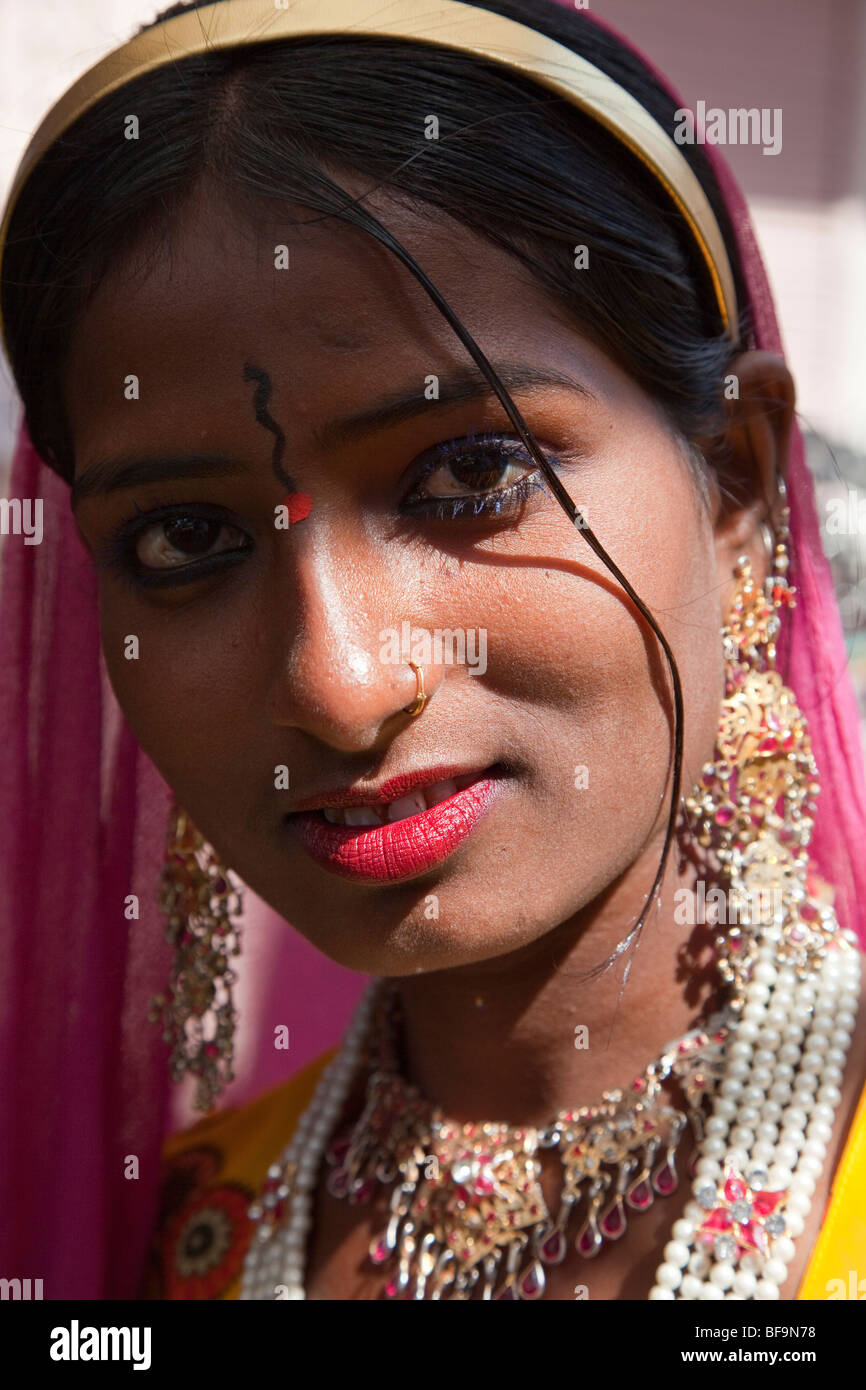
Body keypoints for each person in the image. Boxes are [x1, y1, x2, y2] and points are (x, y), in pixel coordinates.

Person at [1, 0, 865, 1302]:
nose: (339, 687)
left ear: (735, 481)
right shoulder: (172, 1243)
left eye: (466, 472)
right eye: (187, 536)